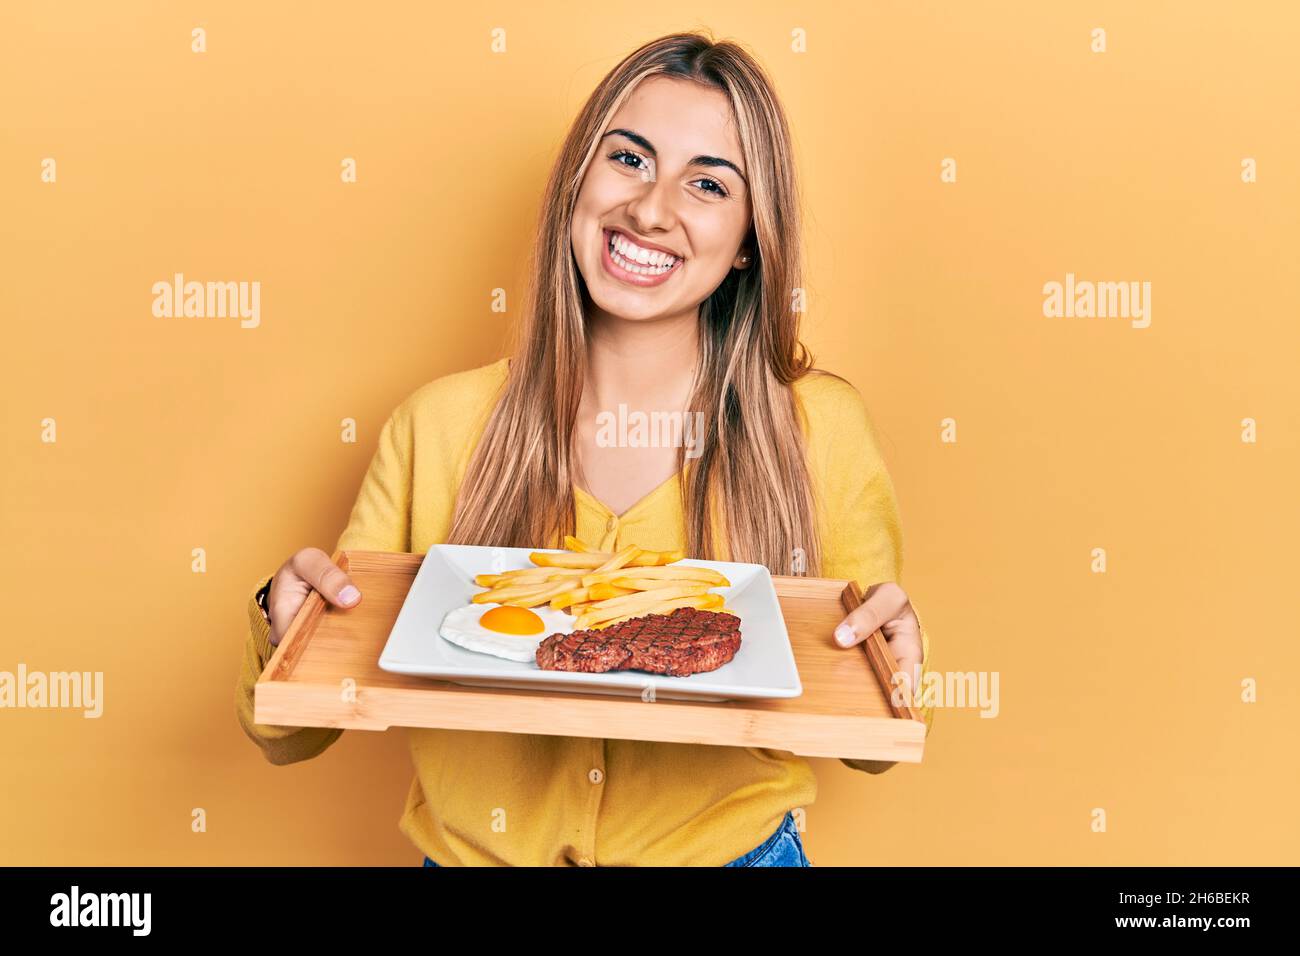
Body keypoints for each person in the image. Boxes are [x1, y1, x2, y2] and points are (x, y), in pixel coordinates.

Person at [235, 31, 934, 867]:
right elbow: (292, 735)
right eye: (629, 160)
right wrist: (285, 628)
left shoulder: (818, 428)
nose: (650, 209)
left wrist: (899, 665)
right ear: (577, 181)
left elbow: (874, 742)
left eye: (707, 183)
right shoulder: (437, 425)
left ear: (750, 237)